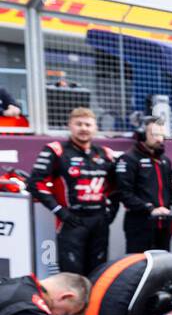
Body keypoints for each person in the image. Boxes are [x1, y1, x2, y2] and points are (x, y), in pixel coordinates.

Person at [29, 108, 117, 276]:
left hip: (99, 222)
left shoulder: (105, 153)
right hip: (71, 221)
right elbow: (35, 183)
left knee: (98, 273)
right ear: (70, 125)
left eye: (88, 124)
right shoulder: (56, 150)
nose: (84, 128)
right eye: (79, 124)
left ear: (95, 127)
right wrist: (60, 212)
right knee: (71, 275)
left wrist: (111, 211)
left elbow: (117, 187)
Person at [115, 116, 172, 253]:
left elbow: (171, 192)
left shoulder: (165, 161)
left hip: (163, 224)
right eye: (155, 134)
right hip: (139, 225)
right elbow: (124, 193)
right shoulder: (128, 159)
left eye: (162, 134)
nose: (159, 139)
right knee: (139, 267)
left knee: (162, 267)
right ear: (142, 135)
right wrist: (149, 208)